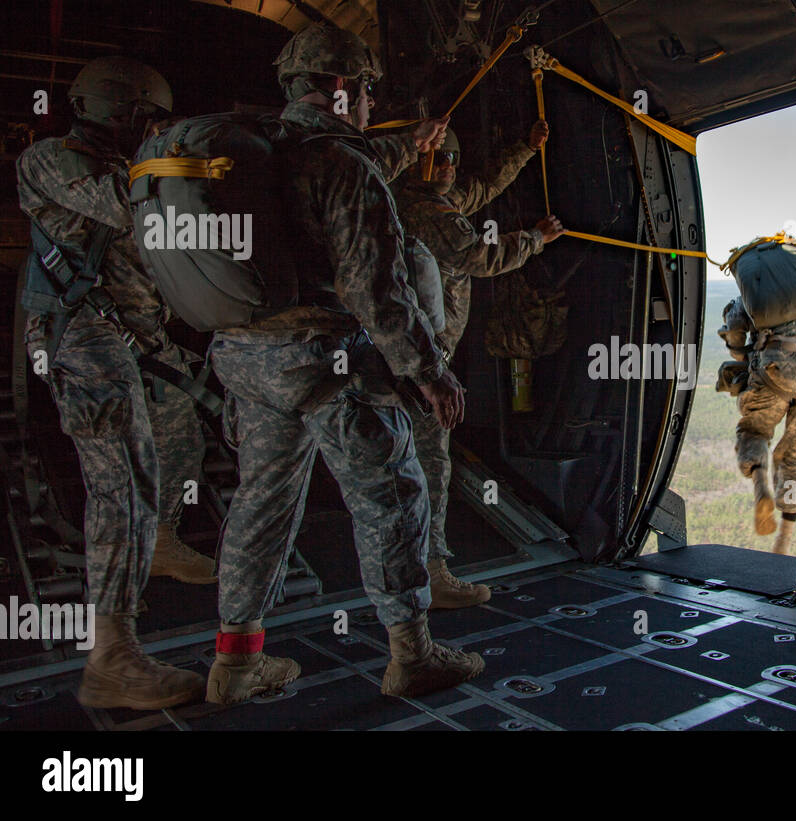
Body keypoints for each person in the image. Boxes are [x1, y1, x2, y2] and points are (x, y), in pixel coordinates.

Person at [204, 22, 482, 704]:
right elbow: (376, 289)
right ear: (343, 88)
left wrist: (409, 138)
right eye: (363, 93)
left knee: (262, 504)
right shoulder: (342, 165)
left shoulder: (270, 147)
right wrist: (429, 369)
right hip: (323, 360)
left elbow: (349, 157)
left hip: (247, 359)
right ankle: (412, 655)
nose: (366, 105)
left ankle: (235, 663)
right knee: (392, 493)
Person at [17, 56, 211, 710]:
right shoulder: (50, 159)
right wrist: (174, 153)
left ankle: (157, 539)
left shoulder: (138, 167)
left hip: (133, 331)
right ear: (117, 111)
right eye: (146, 120)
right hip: (77, 330)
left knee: (180, 418)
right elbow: (126, 208)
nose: (152, 130)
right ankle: (111, 656)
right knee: (121, 477)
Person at [394, 122, 565, 608]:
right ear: (418, 162)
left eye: (451, 158)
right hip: (421, 367)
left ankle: (411, 578)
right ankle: (431, 575)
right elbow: (480, 257)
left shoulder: (418, 199)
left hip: (405, 359)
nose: (448, 167)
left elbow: (483, 186)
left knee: (399, 468)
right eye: (438, 159)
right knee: (428, 468)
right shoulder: (429, 211)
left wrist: (524, 148)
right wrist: (535, 237)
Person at [717, 240, 796, 555]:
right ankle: (784, 540)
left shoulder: (745, 302)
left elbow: (736, 341)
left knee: (754, 431)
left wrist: (743, 357)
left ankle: (760, 487)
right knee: (794, 456)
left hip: (775, 369)